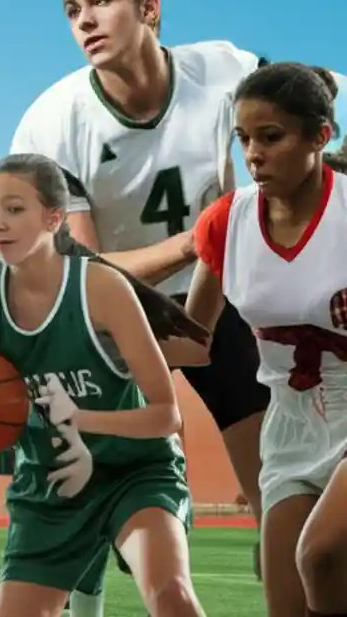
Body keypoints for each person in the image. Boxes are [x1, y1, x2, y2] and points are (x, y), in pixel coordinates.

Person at [9, 0, 345, 607]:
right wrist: (200, 239)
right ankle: (95, 577)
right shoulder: (54, 121)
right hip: (116, 314)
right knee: (116, 504)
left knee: (278, 506)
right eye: (73, 10)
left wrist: (324, 159)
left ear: (150, 8)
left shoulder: (223, 68)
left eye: (102, 1)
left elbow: (308, 94)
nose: (86, 20)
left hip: (227, 299)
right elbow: (79, 262)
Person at [0, 153, 207, 617]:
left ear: (54, 217)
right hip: (49, 484)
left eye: (15, 209)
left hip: (134, 473)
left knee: (171, 596)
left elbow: (167, 415)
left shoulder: (101, 289)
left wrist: (78, 417)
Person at [185, 62, 347, 617]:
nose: (252, 153)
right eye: (244, 139)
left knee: (320, 555)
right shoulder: (226, 221)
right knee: (287, 602)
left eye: (271, 137)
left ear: (320, 137)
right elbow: (191, 341)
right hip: (290, 425)